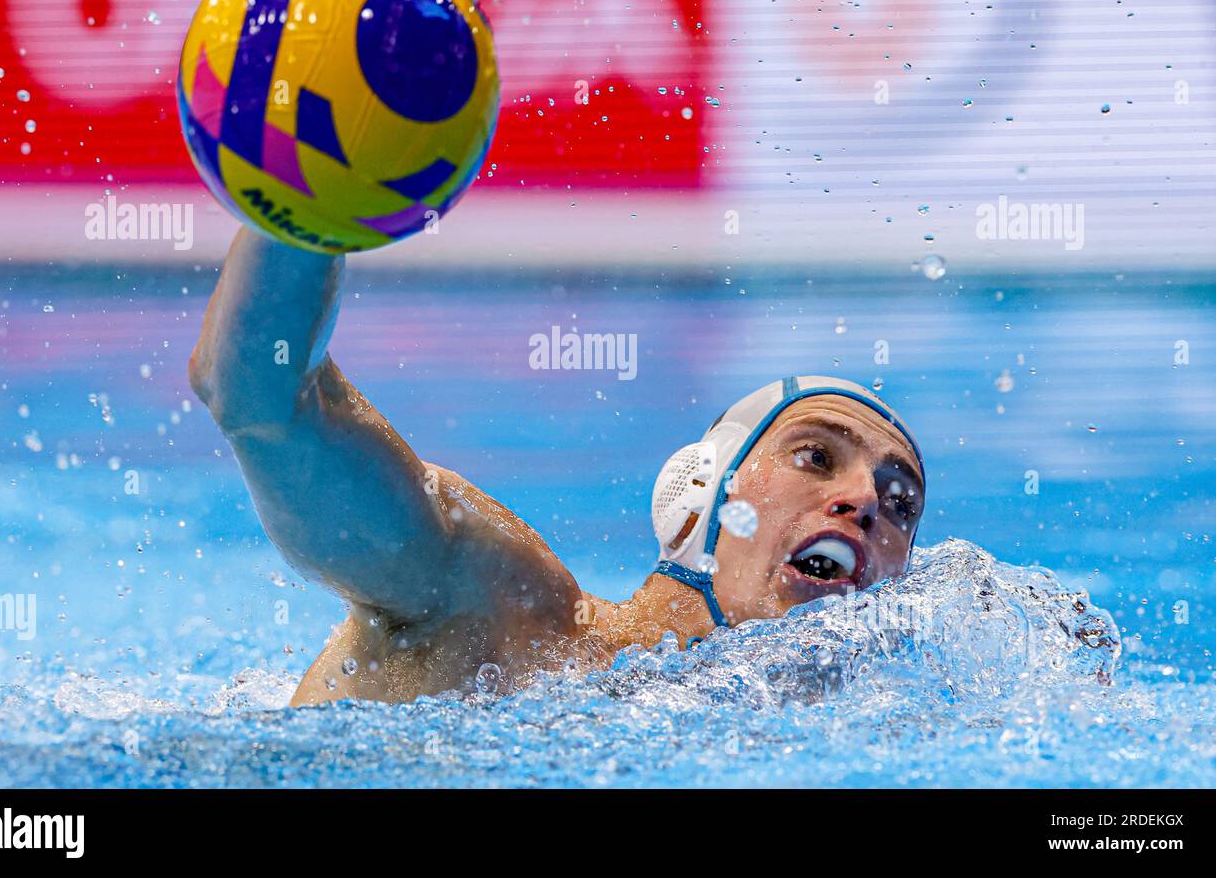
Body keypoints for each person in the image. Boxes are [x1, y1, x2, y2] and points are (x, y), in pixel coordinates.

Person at [189, 228, 927, 705]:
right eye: (814, 456)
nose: (864, 499)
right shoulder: (489, 607)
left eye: (900, 503)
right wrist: (300, 192)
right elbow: (259, 394)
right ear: (699, 498)